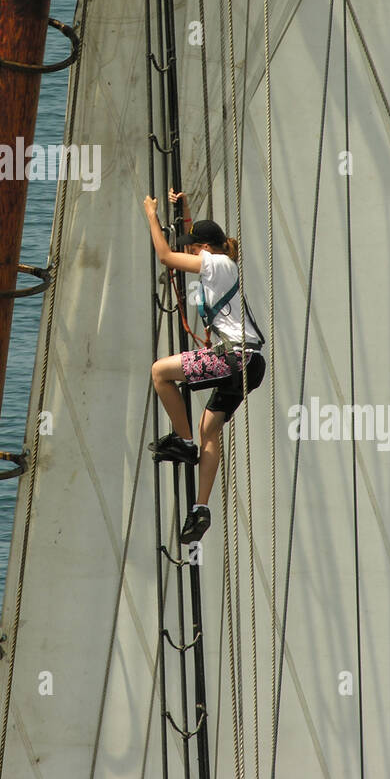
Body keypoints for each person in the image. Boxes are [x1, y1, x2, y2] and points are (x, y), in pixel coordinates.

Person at [143, 189, 266, 544]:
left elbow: (167, 256)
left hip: (233, 359)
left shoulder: (219, 264)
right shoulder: (219, 267)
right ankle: (201, 509)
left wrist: (152, 214)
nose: (191, 254)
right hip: (248, 363)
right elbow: (188, 249)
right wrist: (182, 210)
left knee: (159, 372)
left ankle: (182, 442)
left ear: (206, 250)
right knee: (209, 431)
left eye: (195, 248)